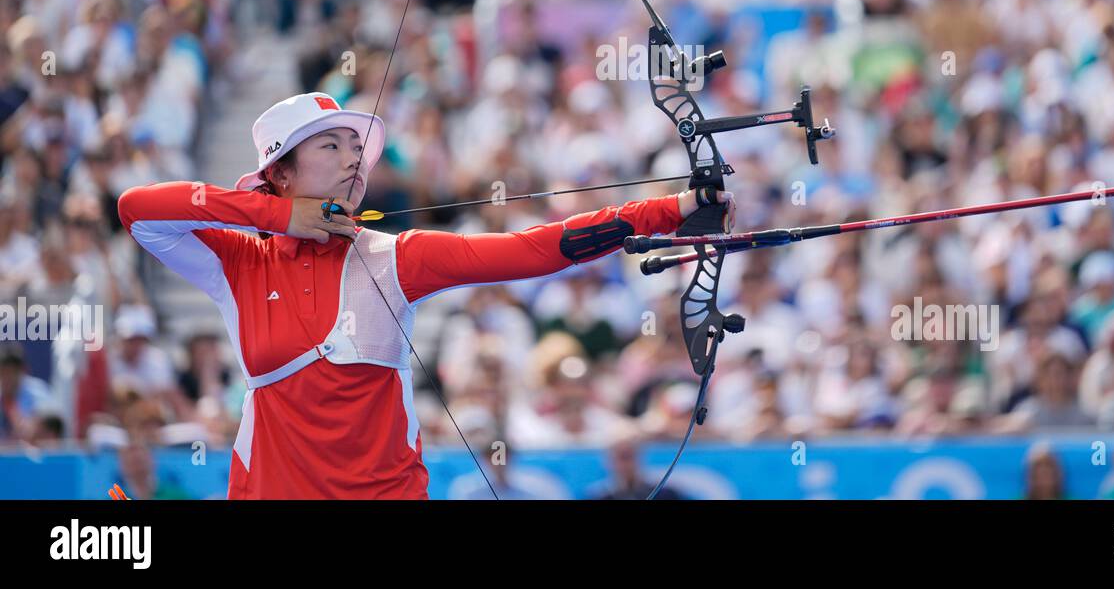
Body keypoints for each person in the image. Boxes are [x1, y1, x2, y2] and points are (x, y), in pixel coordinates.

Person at [117, 91, 733, 499]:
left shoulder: (395, 256)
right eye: (330, 146)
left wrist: (672, 209)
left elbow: (532, 249)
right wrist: (275, 217)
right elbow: (138, 209)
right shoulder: (237, 262)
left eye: (357, 148)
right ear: (280, 172)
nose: (354, 158)